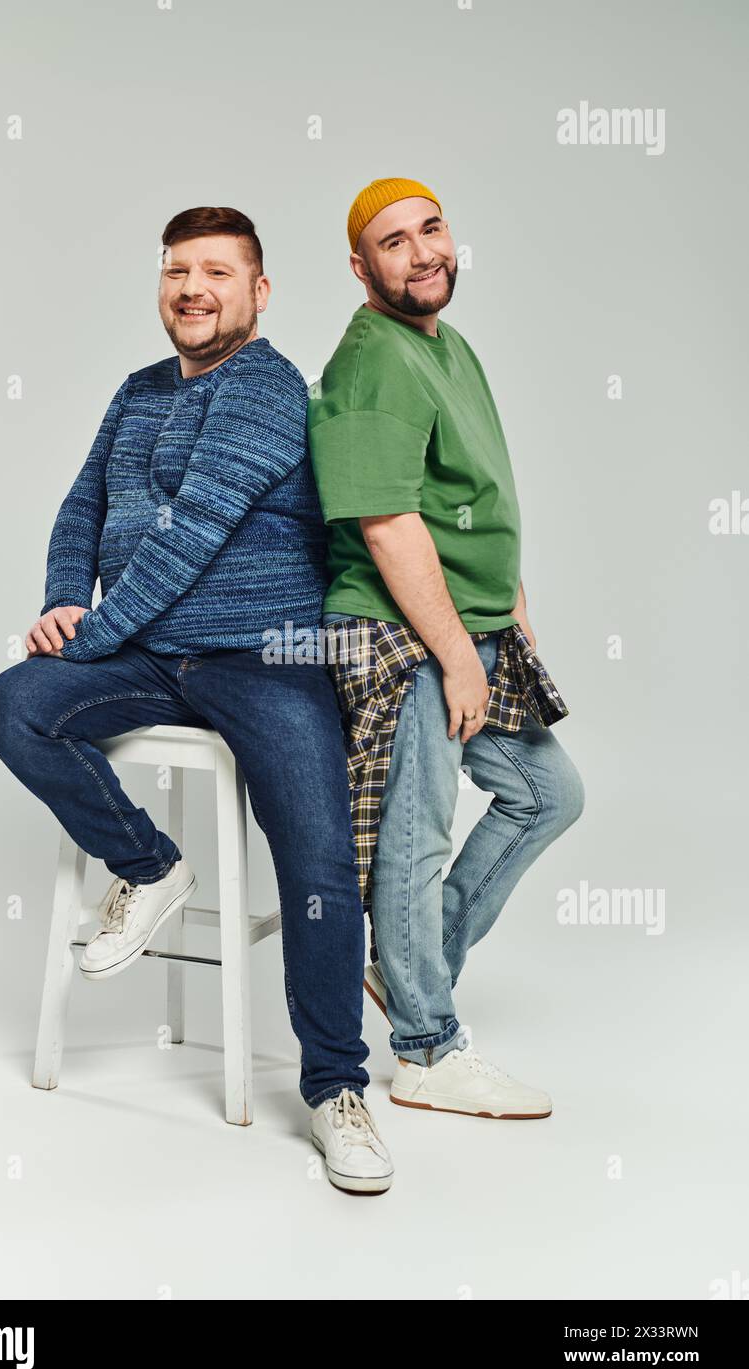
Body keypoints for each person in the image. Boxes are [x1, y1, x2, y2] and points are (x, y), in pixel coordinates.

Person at [0, 205, 393, 1194]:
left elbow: (194, 529)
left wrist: (96, 632)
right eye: (175, 270)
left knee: (316, 849)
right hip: (146, 652)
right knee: (12, 704)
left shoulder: (265, 386)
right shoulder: (136, 391)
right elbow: (83, 506)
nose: (191, 288)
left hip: (262, 656)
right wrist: (61, 603)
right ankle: (152, 867)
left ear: (257, 289)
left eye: (215, 270)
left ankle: (337, 1087)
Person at [307, 177, 585, 1120]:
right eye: (394, 242)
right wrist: (457, 652)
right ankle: (427, 1050)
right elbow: (387, 522)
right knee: (415, 839)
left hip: (470, 622)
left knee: (549, 793)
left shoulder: (445, 344)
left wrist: (510, 608)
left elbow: (468, 497)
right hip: (398, 628)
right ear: (362, 267)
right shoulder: (373, 358)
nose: (422, 252)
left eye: (432, 229)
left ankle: (408, 967)